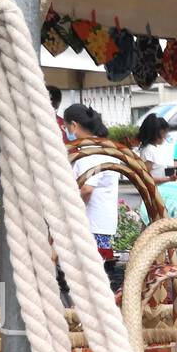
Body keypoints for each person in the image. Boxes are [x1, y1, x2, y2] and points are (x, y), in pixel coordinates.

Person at [64, 104, 118, 259]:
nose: (67, 132)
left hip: (91, 224)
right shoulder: (103, 147)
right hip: (101, 222)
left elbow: (87, 189)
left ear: (74, 125)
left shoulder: (90, 152)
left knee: (89, 270)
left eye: (66, 127)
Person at [135, 114, 171, 180]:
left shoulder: (153, 149)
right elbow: (145, 178)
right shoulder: (148, 151)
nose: (165, 136)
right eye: (164, 133)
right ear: (157, 133)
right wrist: (168, 179)